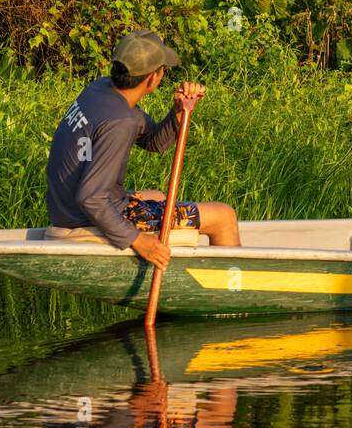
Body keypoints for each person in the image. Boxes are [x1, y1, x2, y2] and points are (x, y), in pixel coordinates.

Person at [45, 29, 241, 269]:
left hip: (65, 211)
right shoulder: (120, 122)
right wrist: (138, 241)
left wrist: (179, 112)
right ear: (152, 78)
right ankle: (231, 289)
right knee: (224, 216)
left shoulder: (100, 90)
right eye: (162, 70)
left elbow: (154, 142)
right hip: (84, 219)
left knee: (157, 196)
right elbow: (91, 197)